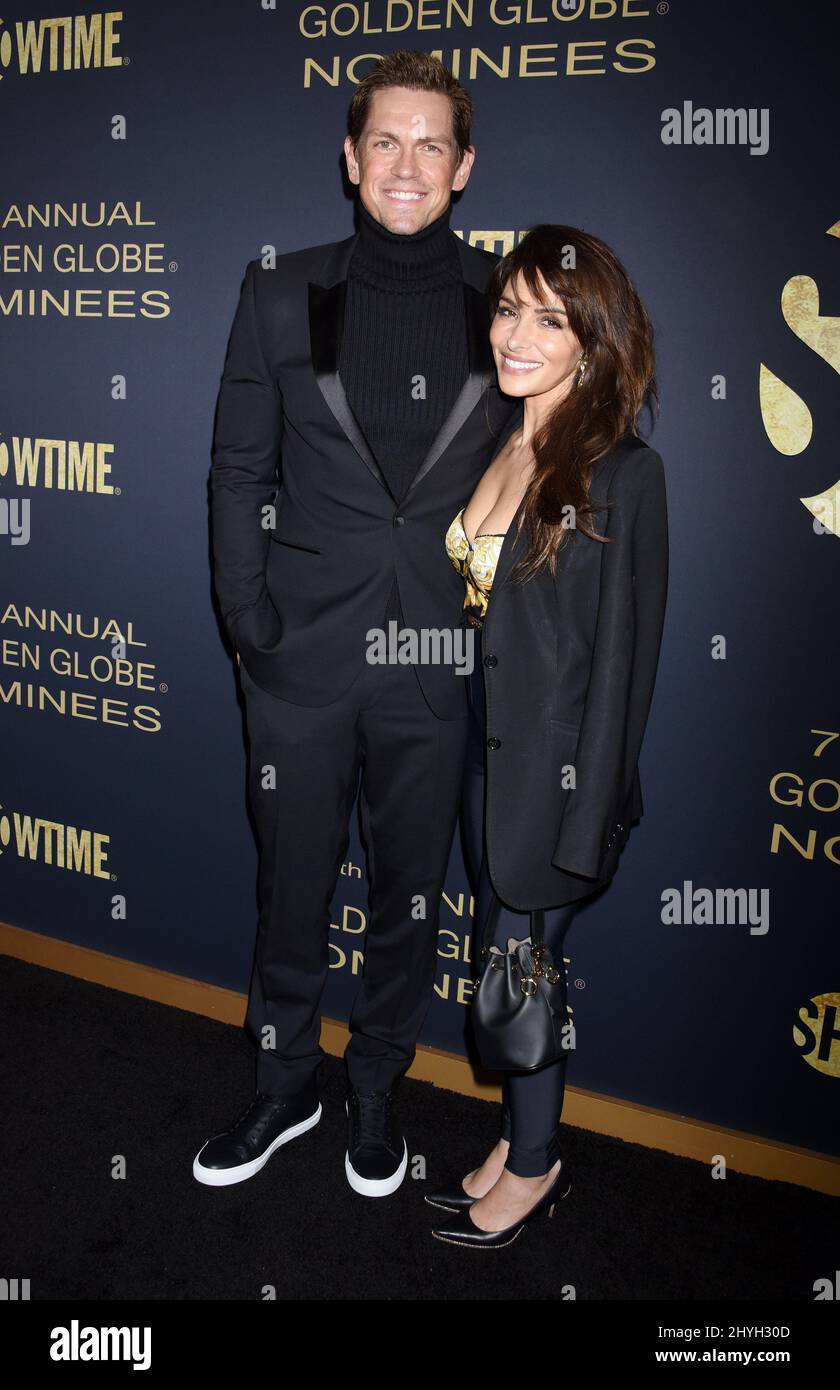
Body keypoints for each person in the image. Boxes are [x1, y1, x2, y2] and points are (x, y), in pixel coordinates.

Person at [193, 51, 519, 1194]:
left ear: (465, 167)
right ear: (349, 156)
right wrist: (250, 622)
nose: (407, 163)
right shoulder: (280, 289)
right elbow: (239, 471)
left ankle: (377, 1086)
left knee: (408, 898)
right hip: (301, 658)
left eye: (433, 143)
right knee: (289, 889)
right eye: (386, 139)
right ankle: (283, 1086)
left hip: (436, 657)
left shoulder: (508, 303)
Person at [426, 225, 669, 1246]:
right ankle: (519, 1144)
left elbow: (625, 670)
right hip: (489, 764)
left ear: (593, 339)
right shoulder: (508, 433)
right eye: (506, 309)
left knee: (520, 981)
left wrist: (582, 830)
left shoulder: (622, 472)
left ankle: (534, 1168)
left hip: (556, 789)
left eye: (550, 319)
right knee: (511, 974)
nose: (517, 336)